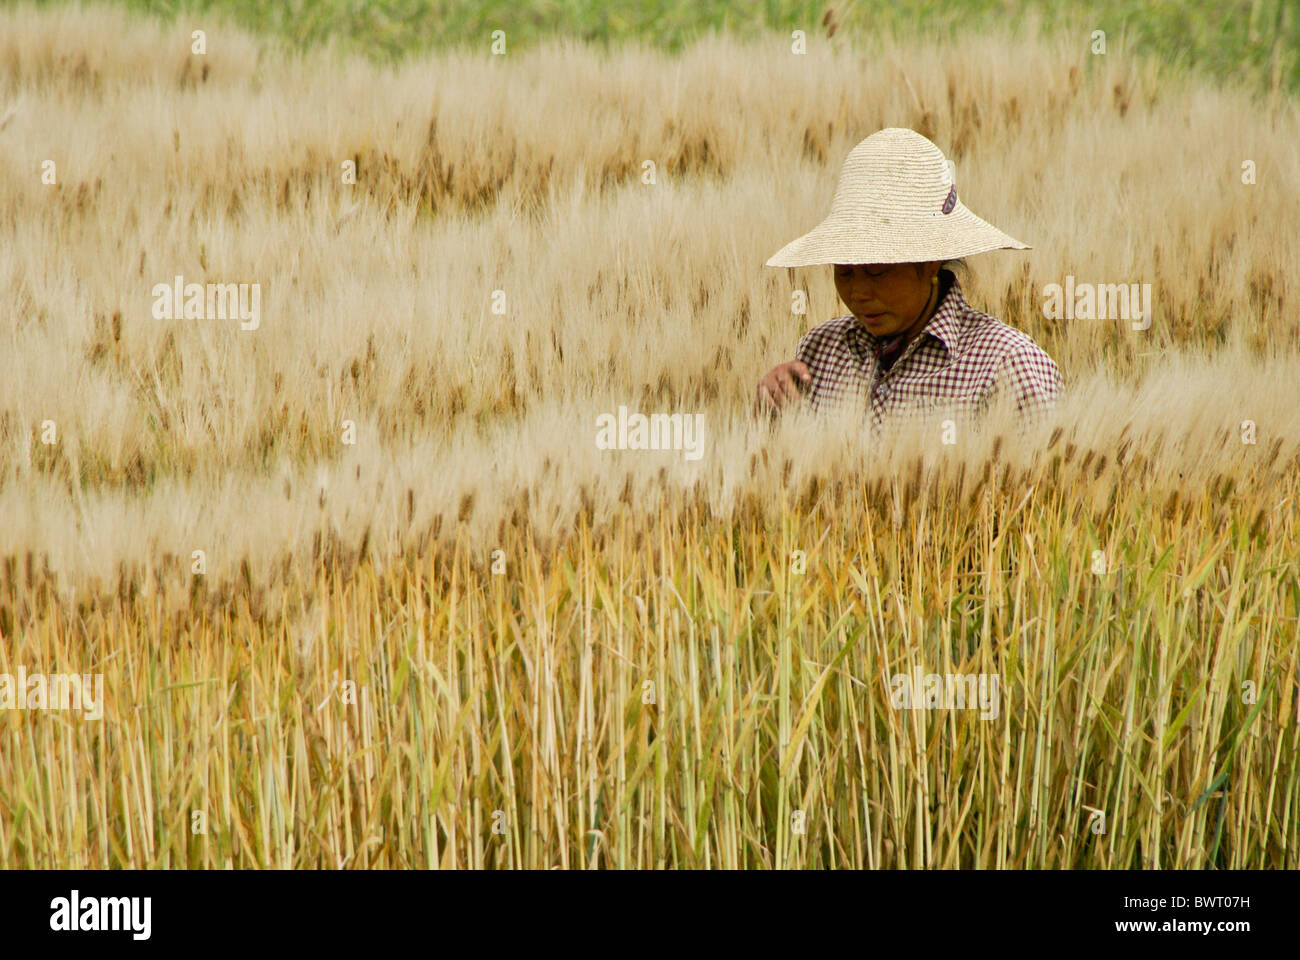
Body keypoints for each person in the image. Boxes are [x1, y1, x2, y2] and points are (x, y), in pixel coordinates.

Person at [756, 128, 1062, 431]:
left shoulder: (1007, 365)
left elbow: (1047, 477)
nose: (858, 292)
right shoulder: (819, 351)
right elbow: (784, 470)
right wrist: (770, 411)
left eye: (877, 271)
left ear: (930, 261)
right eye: (844, 271)